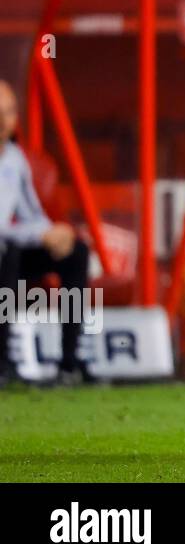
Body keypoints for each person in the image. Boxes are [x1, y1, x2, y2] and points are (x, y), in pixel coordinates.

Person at [0, 81, 95, 386]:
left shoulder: (15, 159)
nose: (3, 121)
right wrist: (36, 235)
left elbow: (30, 213)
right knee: (9, 253)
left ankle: (70, 362)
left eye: (9, 112)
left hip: (11, 246)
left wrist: (54, 233)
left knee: (75, 252)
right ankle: (2, 360)